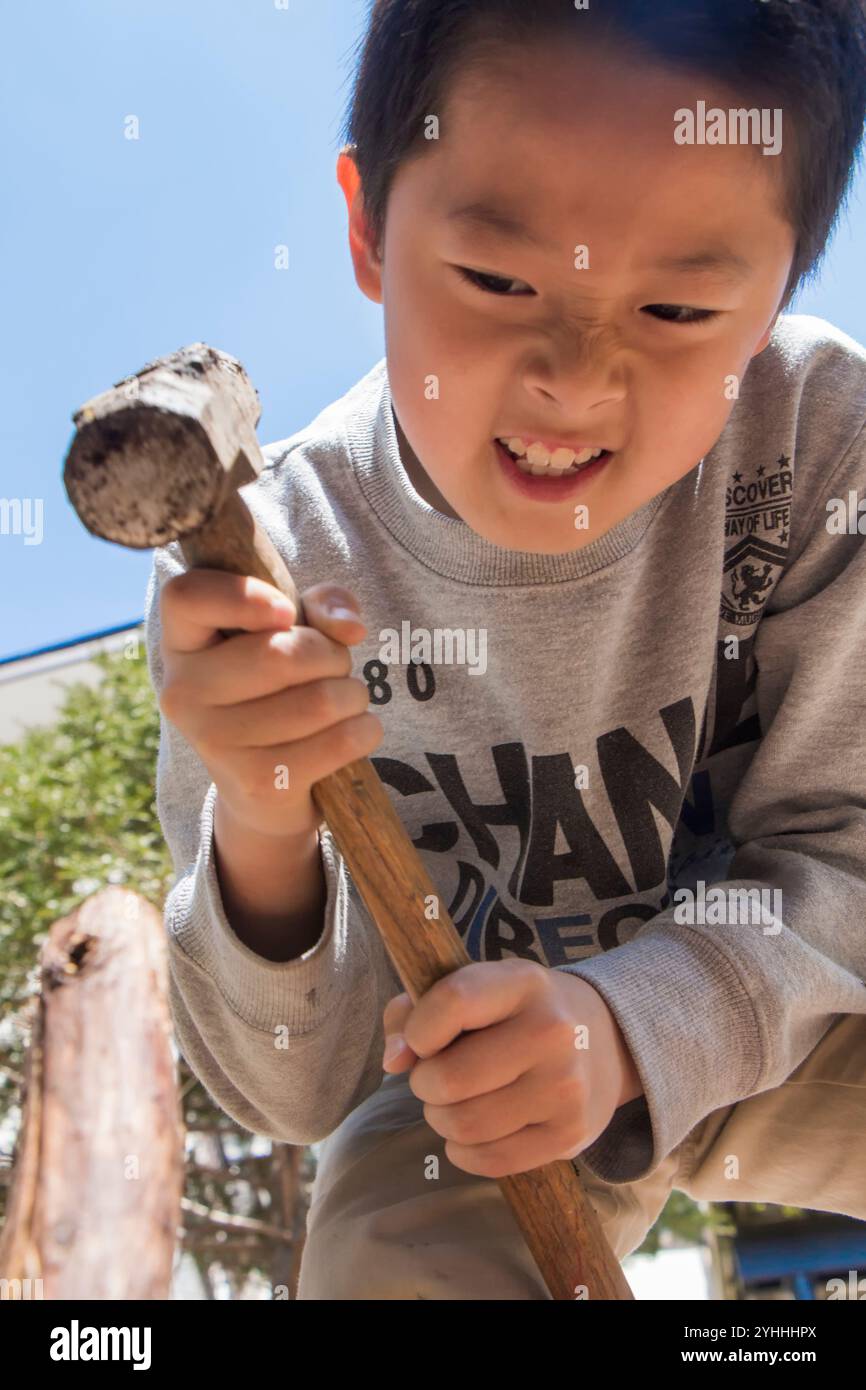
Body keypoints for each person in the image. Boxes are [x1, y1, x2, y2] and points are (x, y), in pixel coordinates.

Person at [144, 0, 866, 1299]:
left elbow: (846, 852)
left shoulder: (817, 446)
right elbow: (294, 1090)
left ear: (772, 300)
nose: (575, 379)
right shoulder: (265, 565)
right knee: (390, 1253)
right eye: (497, 281)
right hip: (483, 1087)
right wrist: (262, 811)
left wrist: (632, 1021)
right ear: (366, 225)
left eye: (679, 305)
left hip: (803, 1005)